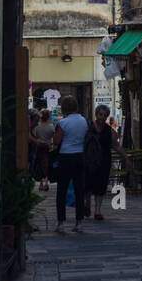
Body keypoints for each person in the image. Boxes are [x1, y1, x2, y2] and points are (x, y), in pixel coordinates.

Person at [83, 104, 129, 219]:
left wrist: (125, 157)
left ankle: (97, 211)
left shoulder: (110, 131)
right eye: (100, 114)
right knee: (87, 186)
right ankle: (87, 205)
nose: (102, 117)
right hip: (89, 161)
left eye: (105, 115)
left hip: (104, 161)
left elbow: (116, 146)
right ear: (96, 114)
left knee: (101, 185)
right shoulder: (88, 127)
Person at [52, 96, 88, 233]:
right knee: (79, 190)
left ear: (64, 108)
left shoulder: (63, 123)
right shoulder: (84, 121)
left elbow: (56, 141)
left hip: (66, 156)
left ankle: (61, 222)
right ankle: (79, 222)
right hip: (80, 155)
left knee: (62, 190)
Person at [34, 109, 55, 191]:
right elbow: (54, 136)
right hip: (48, 147)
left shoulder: (37, 127)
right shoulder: (51, 127)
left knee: (39, 164)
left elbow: (35, 136)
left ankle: (41, 183)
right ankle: (46, 182)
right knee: (47, 165)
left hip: (39, 147)